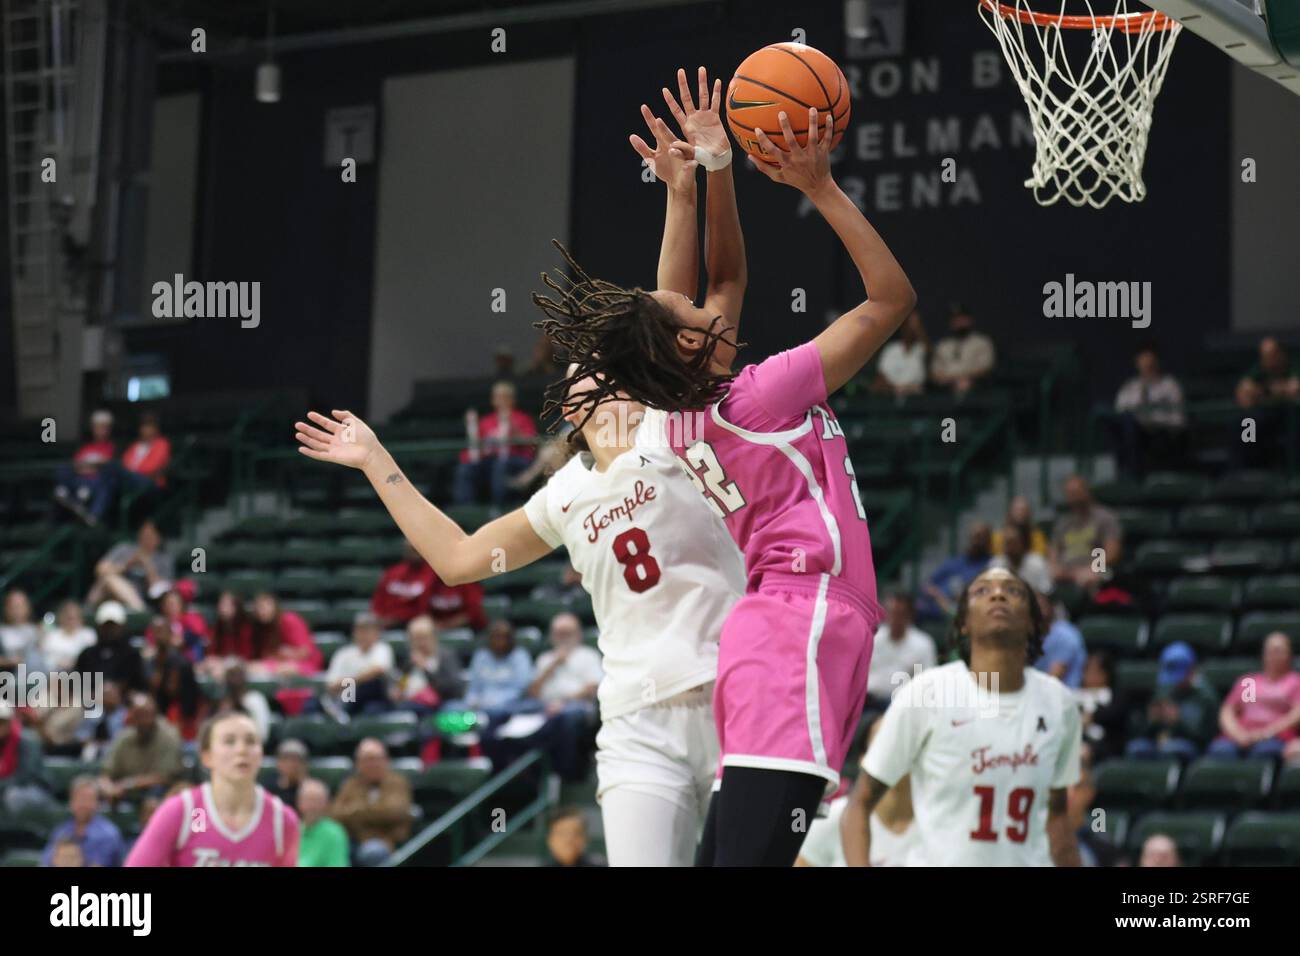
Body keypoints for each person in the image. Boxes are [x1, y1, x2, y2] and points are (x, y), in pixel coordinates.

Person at [293, 66, 748, 867]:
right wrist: (375, 459)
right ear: (568, 406)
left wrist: (691, 186)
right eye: (584, 372)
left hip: (737, 693)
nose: (597, 374)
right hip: (637, 718)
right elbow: (460, 559)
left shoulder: (674, 429)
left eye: (613, 367)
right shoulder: (565, 494)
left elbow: (679, 302)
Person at [532, 95, 914, 867]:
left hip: (774, 629)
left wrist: (712, 172)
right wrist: (819, 187)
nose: (710, 304)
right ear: (688, 349)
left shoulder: (674, 419)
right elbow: (891, 300)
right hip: (797, 619)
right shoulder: (761, 394)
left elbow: (722, 275)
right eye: (691, 313)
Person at [843, 568, 1082, 866]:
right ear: (964, 623)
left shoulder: (1060, 704)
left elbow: (1058, 817)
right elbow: (859, 804)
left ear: (1033, 622)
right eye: (982, 590)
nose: (998, 594)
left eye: (1014, 591)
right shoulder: (927, 692)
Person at [125, 711, 299, 866]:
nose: (242, 749)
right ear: (206, 757)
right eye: (229, 741)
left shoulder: (281, 820)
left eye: (251, 741)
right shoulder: (190, 812)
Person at [798, 720, 915, 867]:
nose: (892, 755)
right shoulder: (831, 819)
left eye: (902, 743)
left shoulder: (938, 822)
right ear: (863, 758)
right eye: (883, 745)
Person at [524, 612, 603, 780]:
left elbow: (592, 687)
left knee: (565, 716)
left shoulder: (588, 655)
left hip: (577, 706)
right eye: (559, 633)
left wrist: (562, 703)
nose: (563, 637)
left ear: (578, 634)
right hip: (544, 705)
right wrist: (552, 666)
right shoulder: (545, 659)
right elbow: (532, 692)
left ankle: (567, 775)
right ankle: (531, 775)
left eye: (567, 633)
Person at [1209, 632, 1300, 759]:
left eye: (1280, 651)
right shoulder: (1250, 682)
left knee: (1264, 751)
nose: (1275, 655)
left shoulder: (1294, 682)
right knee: (1221, 750)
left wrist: (1267, 732)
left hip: (1276, 738)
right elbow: (1228, 711)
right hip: (1243, 736)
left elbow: (1296, 714)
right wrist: (1237, 734)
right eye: (1271, 651)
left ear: (1289, 655)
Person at [1125, 642, 1220, 760]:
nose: (1174, 682)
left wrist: (1177, 721)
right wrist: (1151, 720)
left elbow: (1203, 736)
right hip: (1162, 742)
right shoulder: (1165, 689)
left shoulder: (1205, 696)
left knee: (1174, 748)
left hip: (1194, 748)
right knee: (1137, 747)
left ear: (1191, 670)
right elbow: (1146, 731)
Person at [451, 380, 539, 506]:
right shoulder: (486, 421)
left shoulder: (522, 418)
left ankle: (498, 508)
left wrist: (513, 429)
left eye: (505, 396)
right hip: (489, 460)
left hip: (515, 459)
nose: (501, 400)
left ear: (512, 399)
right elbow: (475, 448)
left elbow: (532, 443)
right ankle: (465, 509)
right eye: (498, 396)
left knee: (500, 466)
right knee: (466, 468)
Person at [371, 539, 486, 630]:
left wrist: (445, 625)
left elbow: (474, 613)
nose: (413, 554)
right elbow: (377, 605)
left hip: (461, 630)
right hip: (405, 625)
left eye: (416, 550)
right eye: (410, 549)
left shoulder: (462, 577)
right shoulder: (393, 573)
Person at [331, 738, 412, 866]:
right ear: (358, 764)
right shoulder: (350, 784)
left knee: (372, 851)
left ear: (386, 760)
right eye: (367, 760)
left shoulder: (397, 782)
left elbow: (394, 812)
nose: (372, 764)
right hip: (354, 840)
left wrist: (357, 811)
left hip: (386, 842)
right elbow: (336, 814)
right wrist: (373, 812)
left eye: (376, 759)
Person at [1110, 347, 1186, 478]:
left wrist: (1154, 422)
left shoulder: (1169, 385)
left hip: (1162, 433)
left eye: (1150, 365)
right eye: (1143, 366)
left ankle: (1134, 473)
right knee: (1126, 424)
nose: (1147, 369)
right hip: (1135, 433)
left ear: (1157, 364)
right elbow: (1120, 411)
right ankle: (1128, 474)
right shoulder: (1130, 386)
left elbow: (1178, 419)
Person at [98, 693, 184, 804]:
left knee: (155, 795)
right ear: (131, 716)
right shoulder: (124, 737)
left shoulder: (169, 736)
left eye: (148, 715)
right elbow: (105, 774)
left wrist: (130, 784)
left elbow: (165, 777)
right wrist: (108, 788)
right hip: (123, 794)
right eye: (139, 715)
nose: (144, 721)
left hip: (157, 793)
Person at [864, 593, 936, 717]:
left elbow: (927, 684)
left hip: (902, 707)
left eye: (899, 614)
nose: (894, 618)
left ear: (909, 615)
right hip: (868, 702)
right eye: (891, 613)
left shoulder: (923, 644)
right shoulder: (872, 638)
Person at [1050, 476, 1123, 596]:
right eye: (1070, 493)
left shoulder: (1105, 518)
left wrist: (1090, 569)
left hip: (1094, 569)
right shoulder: (1063, 523)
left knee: (1089, 579)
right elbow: (1053, 552)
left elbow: (1112, 553)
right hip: (1067, 571)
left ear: (1087, 492)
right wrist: (1055, 567)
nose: (1074, 497)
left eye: (1077, 492)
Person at [85, 519, 174, 611]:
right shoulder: (125, 549)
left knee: (109, 578)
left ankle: (140, 610)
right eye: (143, 534)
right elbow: (99, 569)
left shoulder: (163, 559)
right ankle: (87, 611)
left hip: (142, 600)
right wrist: (127, 565)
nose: (145, 538)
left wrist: (147, 565)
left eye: (150, 536)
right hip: (109, 597)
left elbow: (158, 590)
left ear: (158, 539)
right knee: (108, 579)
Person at [40, 775, 127, 867]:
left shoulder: (109, 834)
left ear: (98, 803)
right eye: (79, 798)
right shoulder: (61, 831)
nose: (83, 804)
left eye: (88, 799)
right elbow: (46, 863)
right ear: (71, 802)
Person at [320, 612, 395, 717]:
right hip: (346, 696)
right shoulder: (343, 653)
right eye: (360, 630)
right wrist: (355, 681)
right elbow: (331, 685)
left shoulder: (382, 648)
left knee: (371, 685)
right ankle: (341, 709)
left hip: (374, 698)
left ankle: (342, 710)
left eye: (367, 631)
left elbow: (378, 670)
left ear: (377, 633)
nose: (363, 635)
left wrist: (350, 681)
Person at [52, 409, 117, 526]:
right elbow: (75, 464)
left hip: (95, 482)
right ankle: (68, 495)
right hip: (78, 478)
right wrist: (87, 466)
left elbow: (105, 465)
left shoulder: (110, 447)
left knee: (102, 481)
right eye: (98, 427)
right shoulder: (86, 448)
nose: (101, 430)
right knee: (63, 468)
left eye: (104, 427)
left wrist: (87, 467)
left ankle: (77, 500)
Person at [391, 615, 466, 714]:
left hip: (440, 704)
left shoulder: (445, 657)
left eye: (424, 638)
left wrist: (425, 669)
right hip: (411, 704)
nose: (420, 643)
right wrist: (399, 691)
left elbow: (454, 689)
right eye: (415, 639)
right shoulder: (408, 660)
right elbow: (402, 682)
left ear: (433, 637)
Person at [920, 522, 993, 621]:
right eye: (975, 536)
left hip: (964, 612)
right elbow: (927, 585)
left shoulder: (991, 565)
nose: (976, 541)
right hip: (937, 609)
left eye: (981, 537)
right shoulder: (954, 562)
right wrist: (938, 595)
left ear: (988, 541)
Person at [1068, 743, 1124, 867]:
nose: (1070, 793)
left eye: (1077, 787)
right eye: (1064, 787)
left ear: (1090, 793)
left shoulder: (1103, 848)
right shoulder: (1033, 842)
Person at [74, 602, 147, 694]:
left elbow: (137, 686)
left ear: (122, 626)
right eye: (106, 626)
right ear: (99, 627)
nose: (109, 630)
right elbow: (77, 685)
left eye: (113, 626)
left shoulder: (132, 655)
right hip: (90, 702)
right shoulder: (87, 654)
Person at [245, 592, 322, 678]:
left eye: (266, 606)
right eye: (259, 608)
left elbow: (305, 652)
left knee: (285, 669)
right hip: (277, 664)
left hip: (304, 663)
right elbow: (266, 655)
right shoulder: (261, 628)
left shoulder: (289, 620)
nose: (262, 611)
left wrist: (287, 653)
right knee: (251, 668)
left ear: (275, 606)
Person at [0, 701, 57, 815]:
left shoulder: (27, 741)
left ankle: (14, 832)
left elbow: (24, 777)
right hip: (7, 788)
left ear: (9, 722)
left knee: (13, 796)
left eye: (2, 722)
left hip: (36, 789)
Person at [928, 304, 995, 397]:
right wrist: (953, 380)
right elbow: (935, 374)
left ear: (970, 320)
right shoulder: (943, 345)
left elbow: (985, 369)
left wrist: (965, 378)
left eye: (962, 318)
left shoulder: (982, 342)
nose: (959, 322)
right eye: (955, 319)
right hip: (946, 390)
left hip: (976, 388)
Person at [1076, 651, 1131, 762]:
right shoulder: (1074, 695)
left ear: (1107, 674)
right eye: (1088, 671)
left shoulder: (1116, 696)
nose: (1090, 676)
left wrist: (1092, 716)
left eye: (1096, 672)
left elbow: (1115, 716)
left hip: (1105, 747)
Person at [1034, 591, 1087, 689]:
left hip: (1064, 697)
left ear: (1050, 607)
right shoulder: (1024, 636)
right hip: (1034, 695)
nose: (1035, 609)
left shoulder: (1065, 634)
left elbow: (1053, 680)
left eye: (1040, 604)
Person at [871, 310, 928, 398]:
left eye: (913, 327)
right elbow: (881, 376)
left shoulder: (920, 348)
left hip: (916, 395)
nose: (910, 330)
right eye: (908, 326)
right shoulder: (891, 349)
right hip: (892, 394)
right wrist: (895, 388)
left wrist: (917, 328)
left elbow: (930, 352)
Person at [296, 778, 350, 867]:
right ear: (299, 802)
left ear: (326, 804)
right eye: (308, 800)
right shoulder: (292, 830)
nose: (312, 806)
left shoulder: (335, 833)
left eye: (317, 801)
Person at [990, 525, 1052, 596]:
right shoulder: (996, 563)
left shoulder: (1037, 561)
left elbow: (1046, 591)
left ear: (1022, 543)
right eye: (1006, 542)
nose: (1009, 547)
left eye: (1013, 542)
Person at [40, 600, 97, 672]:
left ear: (81, 618)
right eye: (69, 618)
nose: (71, 622)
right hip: (55, 675)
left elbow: (91, 658)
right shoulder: (52, 636)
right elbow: (45, 659)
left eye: (74, 617)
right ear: (61, 617)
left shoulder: (88, 635)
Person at [119, 412, 172, 489]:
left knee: (112, 470)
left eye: (149, 426)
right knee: (107, 479)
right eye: (144, 426)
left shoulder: (162, 444)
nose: (146, 429)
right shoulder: (135, 445)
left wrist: (130, 470)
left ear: (156, 428)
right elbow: (123, 463)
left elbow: (152, 467)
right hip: (130, 478)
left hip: (150, 481)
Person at [0, 588, 40, 673]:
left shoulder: (36, 630)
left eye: (20, 606)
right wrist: (9, 661)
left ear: (28, 608)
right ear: (6, 608)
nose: (16, 611)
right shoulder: (2, 631)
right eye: (13, 606)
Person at [266, 738, 309, 808]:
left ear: (304, 764)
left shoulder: (311, 790)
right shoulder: (268, 787)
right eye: (285, 759)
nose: (291, 764)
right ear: (278, 763)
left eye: (295, 760)